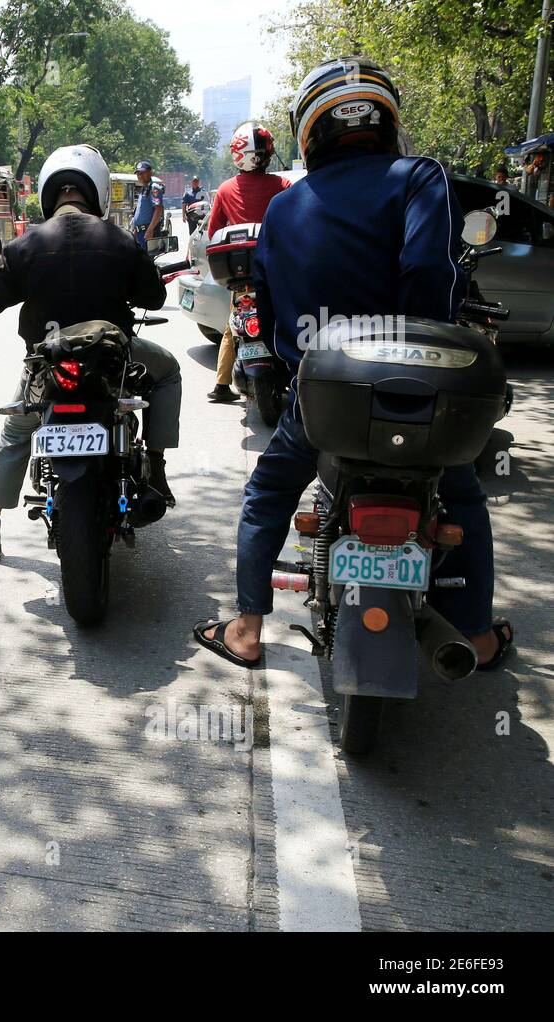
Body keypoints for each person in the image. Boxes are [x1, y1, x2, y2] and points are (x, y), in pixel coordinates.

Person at [193, 56, 512, 671]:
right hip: (423, 397)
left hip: (324, 397)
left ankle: (247, 629)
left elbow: (273, 304)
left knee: (268, 495)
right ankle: (475, 636)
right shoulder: (421, 177)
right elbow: (426, 269)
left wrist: (299, 367)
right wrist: (424, 345)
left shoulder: (286, 207)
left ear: (310, 131)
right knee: (464, 494)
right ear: (386, 119)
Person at [0, 144, 181, 563]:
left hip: (47, 366)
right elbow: (154, 298)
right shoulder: (120, 240)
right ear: (97, 191)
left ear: (49, 193)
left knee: (16, 433)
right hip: (112, 362)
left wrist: (4, 264)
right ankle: (155, 466)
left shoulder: (26, 244)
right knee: (169, 372)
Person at [204, 122, 291, 403]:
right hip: (277, 270)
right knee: (286, 317)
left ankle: (220, 383)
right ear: (266, 154)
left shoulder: (226, 189)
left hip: (240, 273)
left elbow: (213, 231)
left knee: (233, 323)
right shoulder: (282, 185)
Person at [129, 160, 165, 252]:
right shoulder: (144, 189)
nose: (140, 176)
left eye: (143, 173)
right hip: (140, 232)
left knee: (146, 261)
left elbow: (158, 209)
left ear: (150, 173)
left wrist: (150, 230)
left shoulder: (154, 188)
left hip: (147, 232)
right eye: (138, 173)